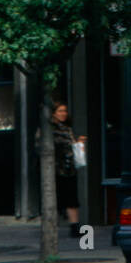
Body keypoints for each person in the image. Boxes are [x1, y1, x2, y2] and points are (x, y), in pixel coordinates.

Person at [38, 102, 87, 238]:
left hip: (69, 168)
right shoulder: (48, 129)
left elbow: (70, 145)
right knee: (56, 197)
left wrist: (78, 144)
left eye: (65, 111)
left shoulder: (67, 128)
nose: (63, 114)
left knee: (72, 198)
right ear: (53, 113)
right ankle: (51, 226)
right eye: (60, 111)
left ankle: (74, 226)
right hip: (55, 169)